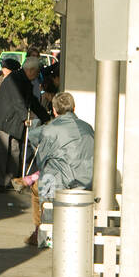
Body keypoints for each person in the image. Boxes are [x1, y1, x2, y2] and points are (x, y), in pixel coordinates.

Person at [23, 91, 95, 247]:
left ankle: (42, 233)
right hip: (86, 181)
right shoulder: (88, 128)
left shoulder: (50, 129)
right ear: (74, 108)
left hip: (59, 184)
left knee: (38, 188)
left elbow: (38, 151)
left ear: (54, 110)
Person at [0, 56, 49, 192]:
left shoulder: (24, 80)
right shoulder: (14, 79)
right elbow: (17, 100)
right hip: (3, 121)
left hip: (12, 122)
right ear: (31, 70)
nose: (36, 77)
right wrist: (25, 117)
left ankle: (11, 180)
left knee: (14, 151)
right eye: (36, 73)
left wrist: (45, 117)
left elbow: (32, 101)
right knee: (2, 152)